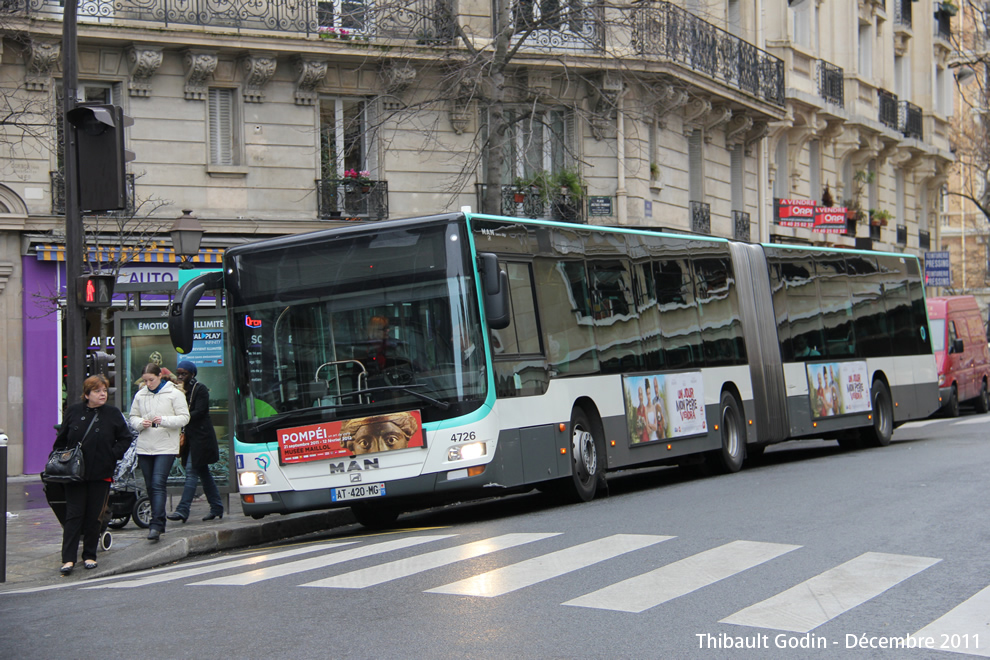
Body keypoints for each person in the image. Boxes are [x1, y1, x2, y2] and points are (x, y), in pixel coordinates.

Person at [53, 374, 133, 575]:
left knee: (94, 516)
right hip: (75, 474)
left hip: (100, 473)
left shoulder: (112, 414)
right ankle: (68, 559)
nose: (102, 394)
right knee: (73, 516)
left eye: (105, 391)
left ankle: (89, 555)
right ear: (87, 394)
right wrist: (63, 460)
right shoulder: (73, 412)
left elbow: (126, 438)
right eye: (98, 391)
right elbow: (60, 441)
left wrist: (112, 455)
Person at [129, 362, 190, 541]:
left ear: (160, 377)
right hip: (145, 445)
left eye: (151, 380)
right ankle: (159, 521)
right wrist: (141, 423)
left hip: (166, 445)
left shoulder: (174, 394)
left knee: (157, 483)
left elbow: (184, 418)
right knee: (150, 485)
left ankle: (156, 525)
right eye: (145, 380)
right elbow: (133, 417)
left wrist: (163, 420)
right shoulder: (140, 395)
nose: (148, 384)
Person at [168, 361, 224, 522]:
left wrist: (181, 416)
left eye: (184, 373)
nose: (180, 376)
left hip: (201, 438)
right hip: (189, 439)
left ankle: (182, 510)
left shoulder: (200, 389)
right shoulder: (178, 391)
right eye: (178, 373)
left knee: (192, 472)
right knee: (204, 473)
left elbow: (199, 411)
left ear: (192, 375)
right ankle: (217, 506)